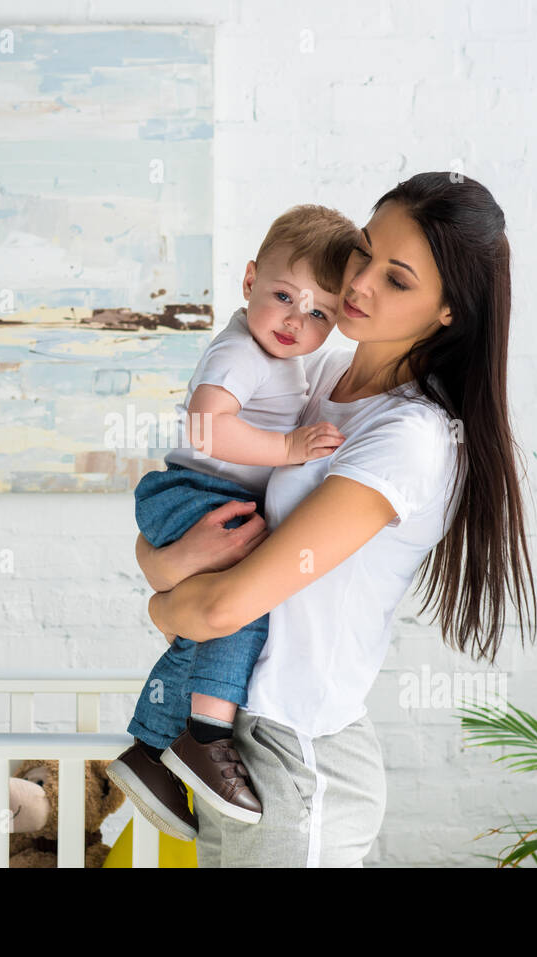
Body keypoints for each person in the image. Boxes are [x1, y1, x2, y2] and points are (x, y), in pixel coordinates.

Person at [139, 172, 537, 866]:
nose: (360, 283)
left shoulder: (408, 436)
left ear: (449, 311)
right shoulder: (315, 378)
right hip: (228, 734)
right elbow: (186, 540)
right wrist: (167, 574)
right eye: (364, 251)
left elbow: (227, 602)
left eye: (399, 279)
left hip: (293, 756)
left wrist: (163, 605)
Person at [107, 205, 360, 840]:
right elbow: (205, 425)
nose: (295, 321)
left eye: (319, 313)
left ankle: (152, 748)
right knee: (245, 606)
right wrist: (291, 450)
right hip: (195, 491)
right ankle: (206, 735)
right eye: (283, 296)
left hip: (204, 497)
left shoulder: (288, 361)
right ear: (248, 281)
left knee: (206, 628)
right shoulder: (239, 353)